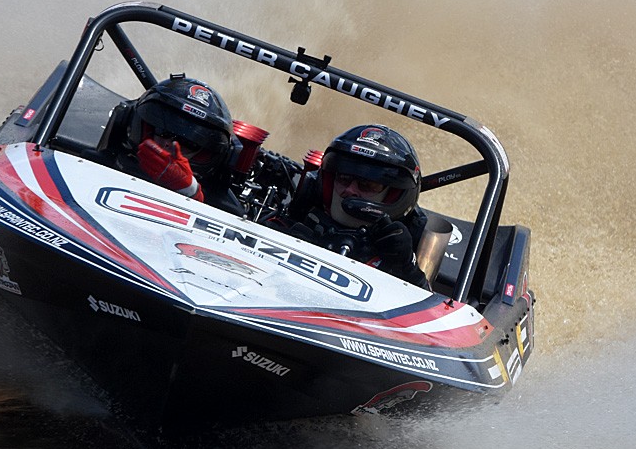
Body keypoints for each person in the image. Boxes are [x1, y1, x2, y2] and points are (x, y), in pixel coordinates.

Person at [273, 124, 430, 289]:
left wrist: (408, 271)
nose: (350, 190)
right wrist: (285, 240)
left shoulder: (398, 256)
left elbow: (436, 310)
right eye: (343, 178)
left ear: (393, 195)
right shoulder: (292, 226)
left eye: (366, 184)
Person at [103, 75, 245, 215]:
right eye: (163, 132)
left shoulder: (224, 210)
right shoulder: (93, 163)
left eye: (188, 143)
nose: (170, 145)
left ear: (205, 153)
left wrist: (190, 192)